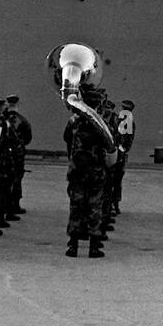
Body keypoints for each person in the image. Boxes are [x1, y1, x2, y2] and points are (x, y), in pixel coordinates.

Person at [63, 85, 115, 258]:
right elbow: (111, 145)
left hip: (77, 170)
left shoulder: (73, 121)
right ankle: (94, 247)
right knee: (94, 207)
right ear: (98, 104)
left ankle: (73, 246)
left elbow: (67, 140)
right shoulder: (102, 123)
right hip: (95, 171)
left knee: (76, 206)